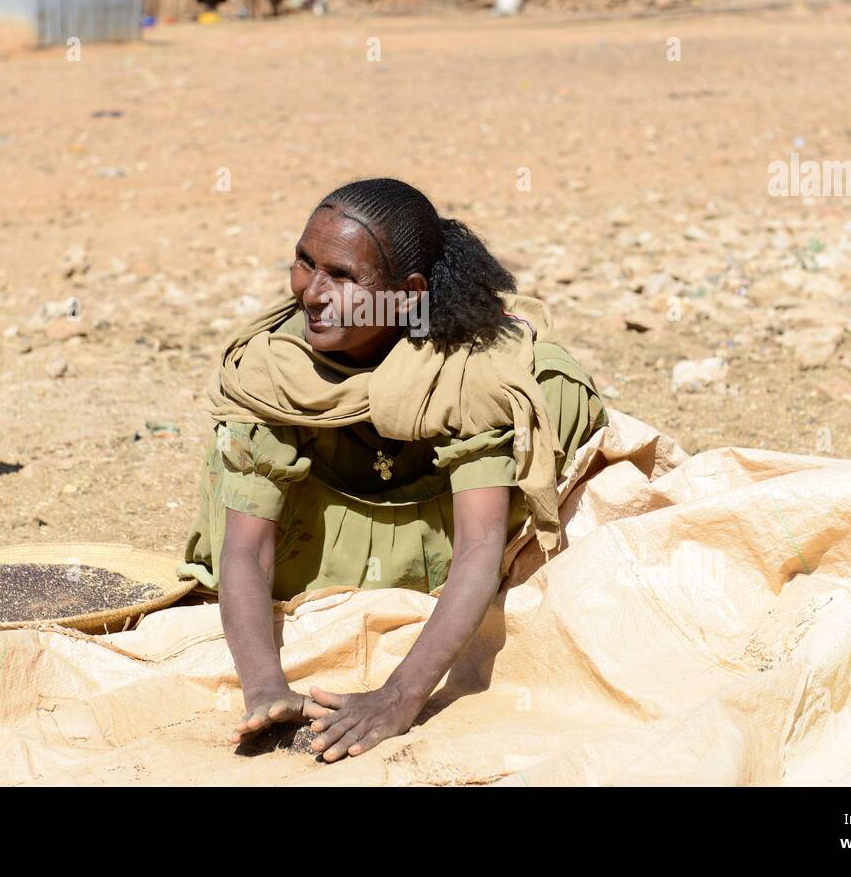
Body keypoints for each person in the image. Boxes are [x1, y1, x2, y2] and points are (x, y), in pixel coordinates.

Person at [180, 178, 607, 762]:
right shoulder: (277, 373)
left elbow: (481, 545)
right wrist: (264, 689)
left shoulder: (468, 371)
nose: (313, 292)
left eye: (344, 276)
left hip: (457, 514)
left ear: (406, 295)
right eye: (304, 263)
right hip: (339, 509)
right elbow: (247, 549)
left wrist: (399, 698)